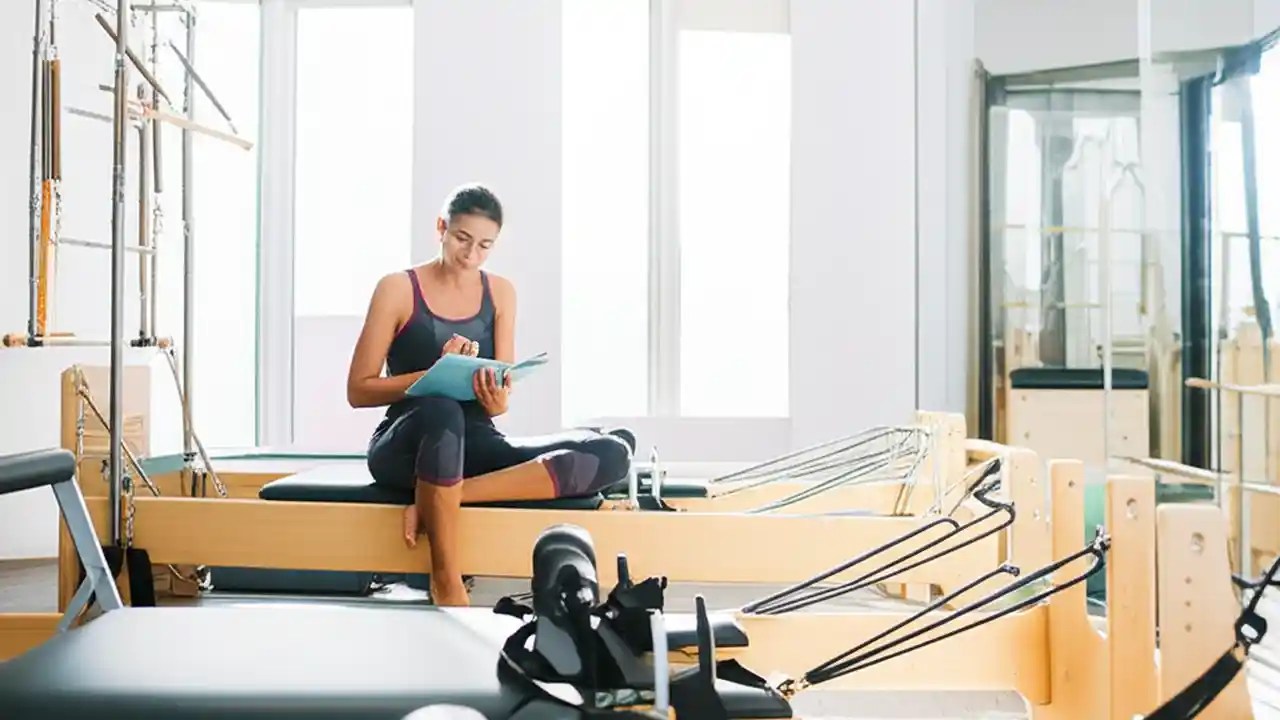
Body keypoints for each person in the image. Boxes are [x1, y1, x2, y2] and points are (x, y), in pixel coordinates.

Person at [346, 183, 633, 607]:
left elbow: (500, 398)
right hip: (408, 443)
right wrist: (434, 375)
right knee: (442, 409)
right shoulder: (397, 288)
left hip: (475, 444)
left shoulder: (500, 293)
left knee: (613, 451)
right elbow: (359, 389)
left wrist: (496, 400)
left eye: (484, 245)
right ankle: (446, 580)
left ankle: (444, 497)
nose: (471, 254)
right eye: (462, 239)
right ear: (441, 228)